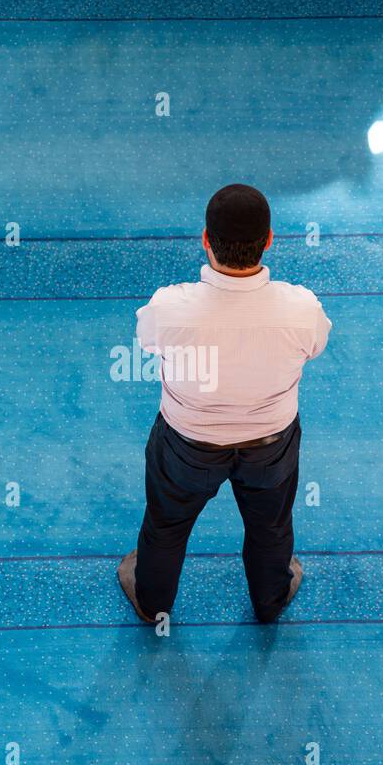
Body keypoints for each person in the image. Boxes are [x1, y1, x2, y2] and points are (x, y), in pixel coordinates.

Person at [118, 184, 332, 624]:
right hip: (271, 444)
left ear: (205, 239)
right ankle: (269, 601)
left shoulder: (170, 306)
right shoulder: (301, 307)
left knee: (166, 526)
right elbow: (315, 347)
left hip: (186, 445)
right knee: (270, 527)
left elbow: (147, 341)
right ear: (270, 239)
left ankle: (152, 600)